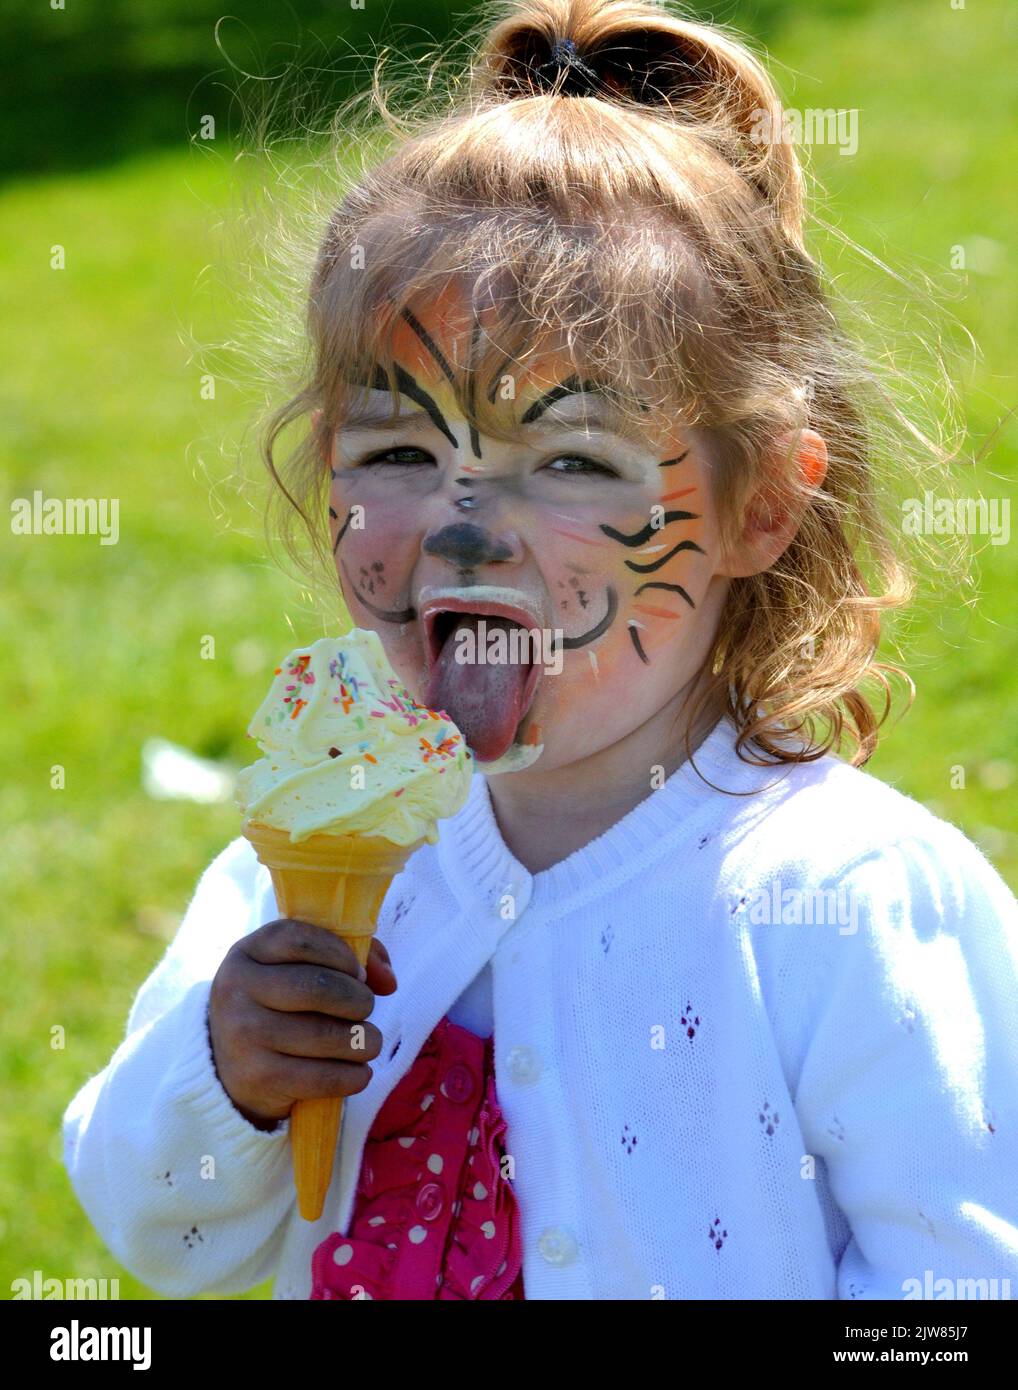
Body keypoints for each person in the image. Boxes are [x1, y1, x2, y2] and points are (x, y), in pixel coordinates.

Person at [64, 0, 1018, 1300]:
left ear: (760, 506)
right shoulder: (309, 865)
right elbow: (160, 1234)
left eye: (569, 460)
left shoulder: (847, 900)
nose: (463, 533)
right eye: (399, 453)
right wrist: (224, 1072)